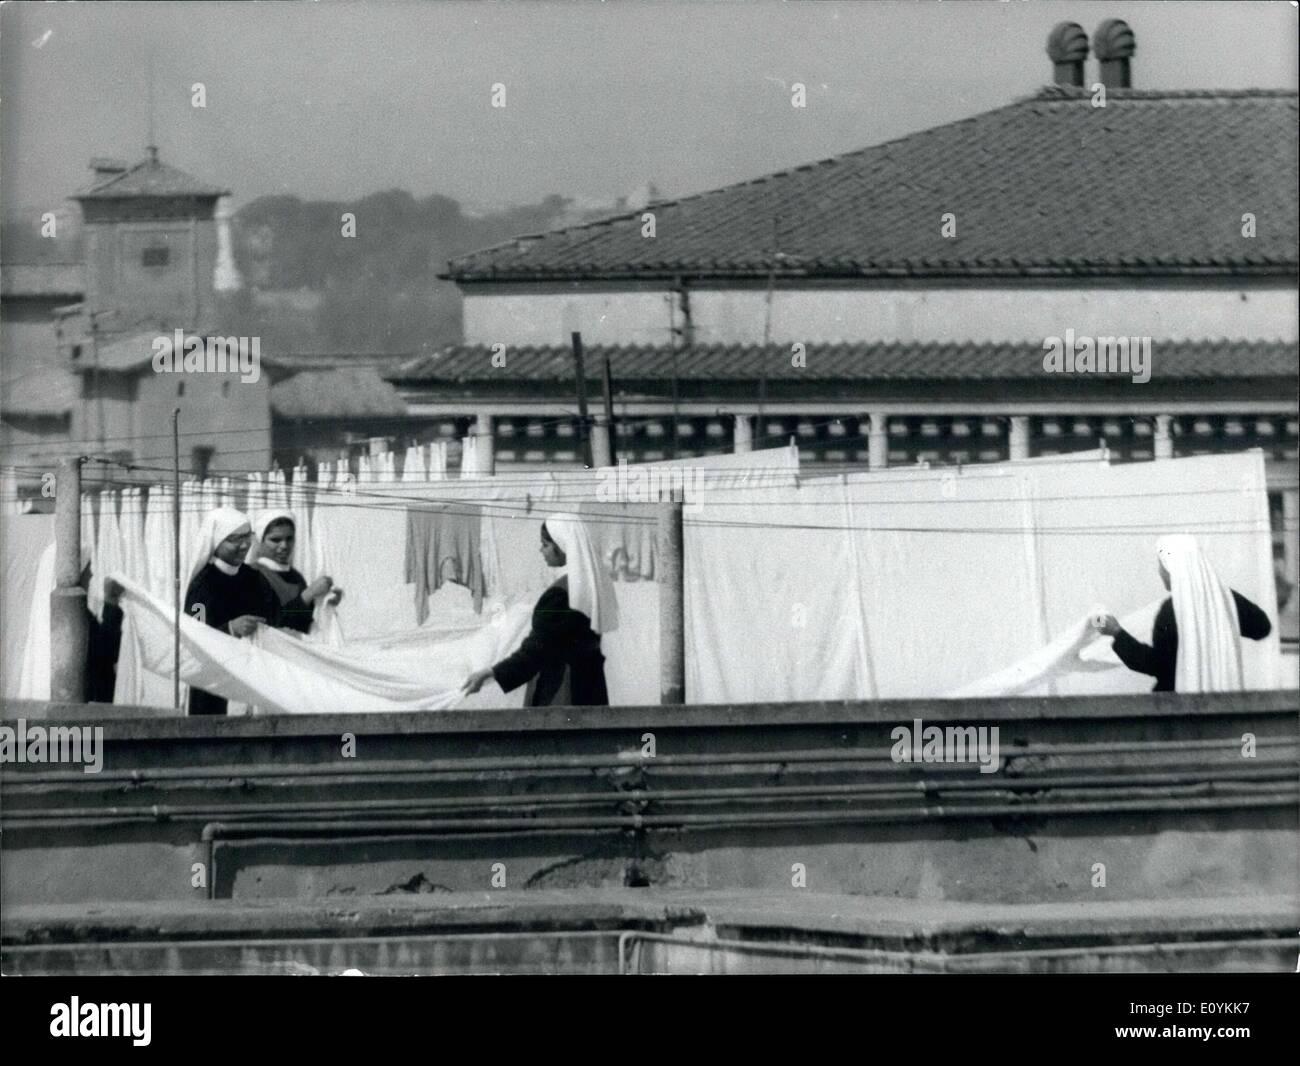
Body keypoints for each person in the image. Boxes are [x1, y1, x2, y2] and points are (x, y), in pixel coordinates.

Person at [462, 512, 618, 706]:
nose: (541, 550)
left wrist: (489, 672)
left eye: (545, 544)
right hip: (591, 689)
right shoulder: (591, 588)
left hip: (562, 691)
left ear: (560, 546)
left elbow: (535, 652)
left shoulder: (560, 595)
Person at [1095, 534, 1272, 692]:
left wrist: (1116, 633)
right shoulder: (1224, 600)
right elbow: (1262, 627)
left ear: (1172, 568)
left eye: (1161, 565)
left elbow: (1158, 665)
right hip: (1222, 702)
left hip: (1177, 708)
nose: (1160, 572)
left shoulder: (1171, 610)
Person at [183, 506, 280, 715]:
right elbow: (195, 637)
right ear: (216, 542)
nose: (244, 545)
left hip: (252, 680)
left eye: (247, 537)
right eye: (234, 539)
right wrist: (231, 629)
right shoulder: (202, 586)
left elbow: (274, 616)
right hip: (212, 689)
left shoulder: (254, 579)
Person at [247, 509, 340, 634]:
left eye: (289, 539)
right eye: (275, 540)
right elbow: (272, 624)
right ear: (260, 541)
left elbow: (304, 621)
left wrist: (324, 601)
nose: (284, 546)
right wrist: (309, 593)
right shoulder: (251, 575)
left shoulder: (295, 577)